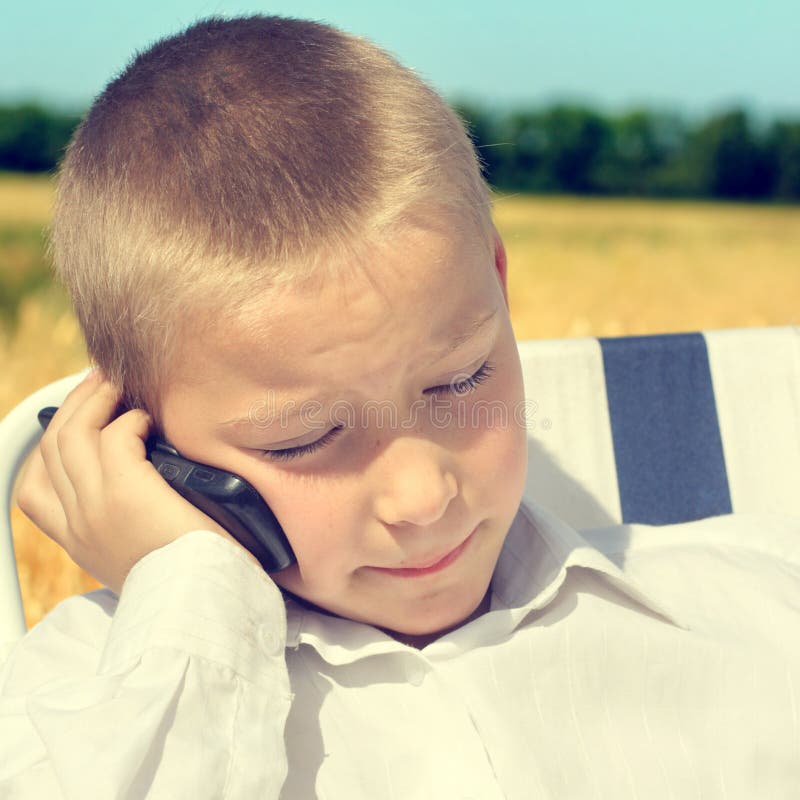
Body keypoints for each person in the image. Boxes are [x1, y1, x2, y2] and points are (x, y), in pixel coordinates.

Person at [1, 14, 798, 799]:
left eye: (459, 381)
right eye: (305, 438)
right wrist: (190, 593)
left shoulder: (758, 600)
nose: (425, 496)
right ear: (138, 434)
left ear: (498, 282)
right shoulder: (72, 709)